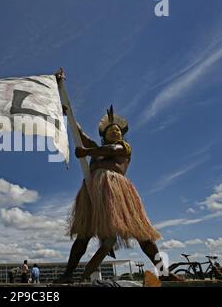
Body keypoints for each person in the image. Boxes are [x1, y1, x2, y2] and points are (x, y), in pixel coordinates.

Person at [55, 106, 178, 283]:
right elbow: (81, 135)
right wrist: (70, 116)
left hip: (116, 190)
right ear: (104, 136)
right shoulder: (98, 150)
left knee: (142, 234)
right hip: (91, 192)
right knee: (84, 234)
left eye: (118, 130)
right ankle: (67, 274)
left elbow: (111, 150)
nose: (115, 132)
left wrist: (87, 152)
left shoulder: (123, 147)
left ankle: (163, 271)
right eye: (112, 130)